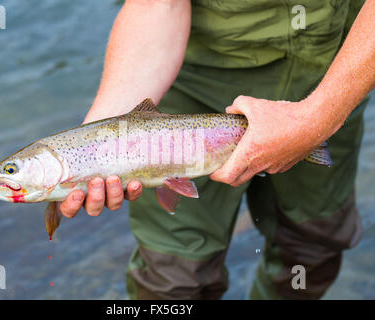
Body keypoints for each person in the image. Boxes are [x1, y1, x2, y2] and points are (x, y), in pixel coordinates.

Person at [60, 0, 374, 299]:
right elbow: (157, 4)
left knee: (313, 245)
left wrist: (319, 117)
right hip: (190, 86)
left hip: (337, 72)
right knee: (173, 274)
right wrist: (101, 134)